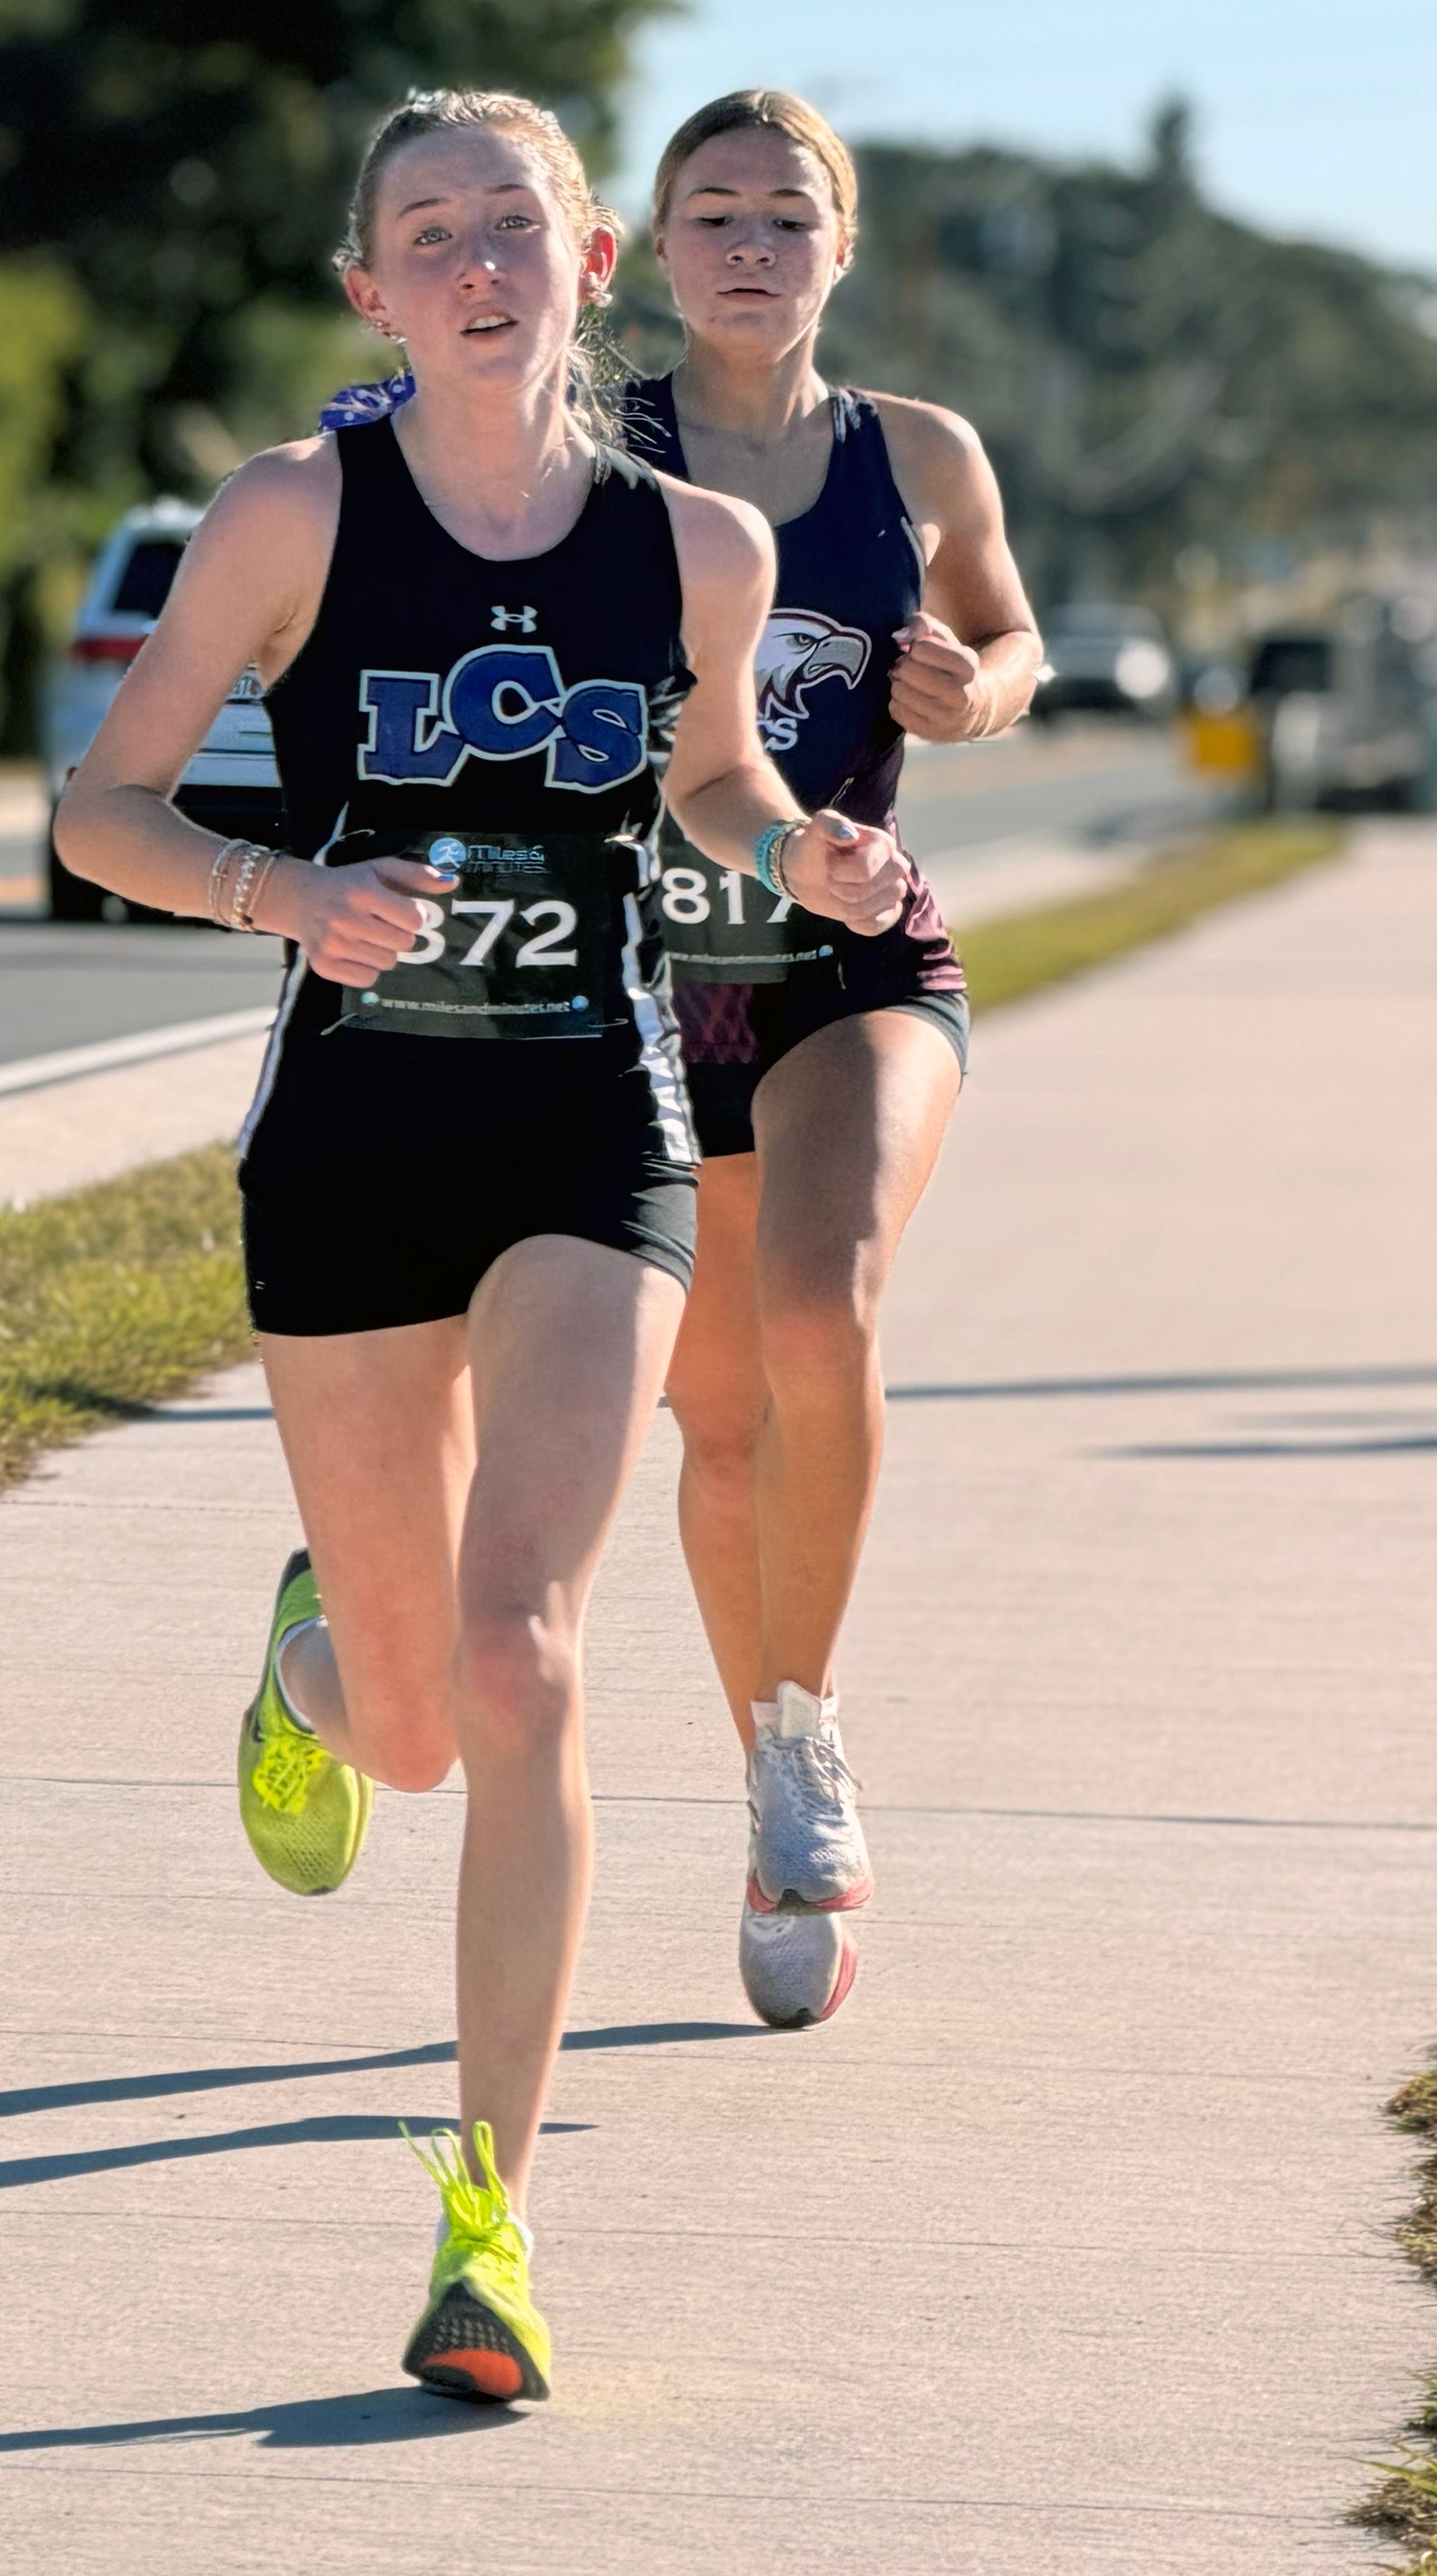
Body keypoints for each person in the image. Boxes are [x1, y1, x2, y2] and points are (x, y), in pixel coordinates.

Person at [56, 88, 907, 2404]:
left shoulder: (698, 544)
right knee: (419, 1725)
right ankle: (315, 1669)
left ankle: (487, 2229)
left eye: (509, 224)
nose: (472, 265)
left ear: (586, 258)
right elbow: (104, 807)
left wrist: (800, 853)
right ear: (371, 291)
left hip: (583, 1127)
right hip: (348, 1141)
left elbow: (708, 775)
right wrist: (281, 891)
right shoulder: (292, 514)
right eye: (423, 234)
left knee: (528, 1655)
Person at [627, 91, 1042, 2029]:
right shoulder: (584, 449)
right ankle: (767, 1803)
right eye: (711, 211)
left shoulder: (917, 453)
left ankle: (805, 1738)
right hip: (648, 982)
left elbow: (1009, 636)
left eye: (786, 215)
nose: (748, 245)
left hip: (854, 947)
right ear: (652, 247)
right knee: (718, 1426)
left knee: (823, 1304)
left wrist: (981, 690)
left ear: (839, 248)